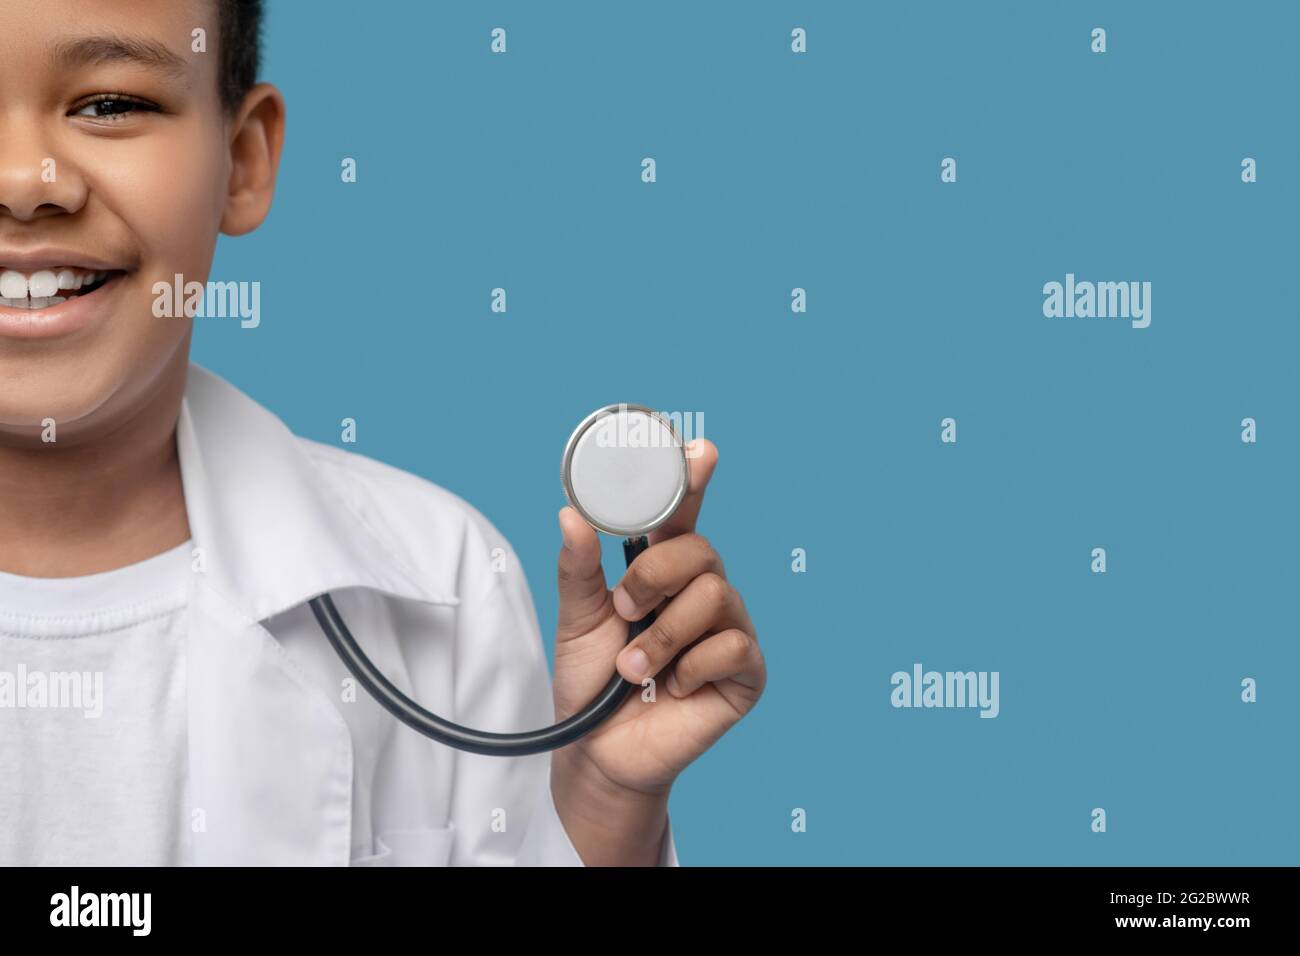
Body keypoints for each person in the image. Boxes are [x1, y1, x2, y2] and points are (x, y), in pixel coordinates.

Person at [0, 0, 766, 866]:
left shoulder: (445, 583)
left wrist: (597, 807)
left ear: (242, 161)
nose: (27, 182)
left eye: (109, 105)